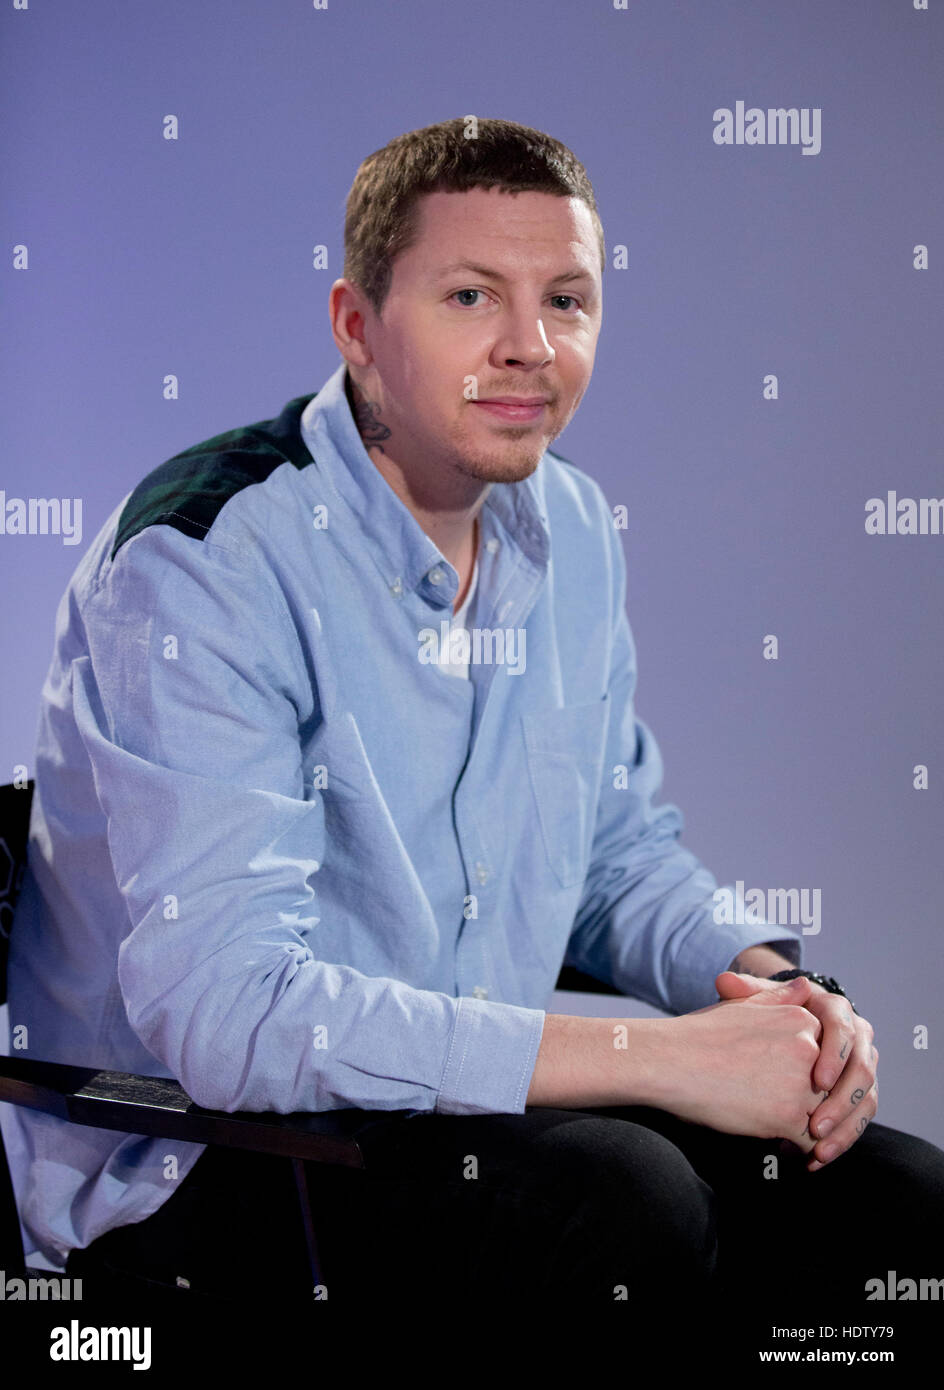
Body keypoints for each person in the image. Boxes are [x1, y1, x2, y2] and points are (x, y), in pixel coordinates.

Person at [4, 117, 943, 1325]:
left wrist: (777, 994)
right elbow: (229, 1016)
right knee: (623, 1208)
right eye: (467, 295)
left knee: (902, 1208)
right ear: (356, 325)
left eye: (566, 299)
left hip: (452, 1112)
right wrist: (659, 1061)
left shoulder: (574, 530)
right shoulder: (203, 558)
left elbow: (614, 858)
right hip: (190, 1157)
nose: (527, 347)